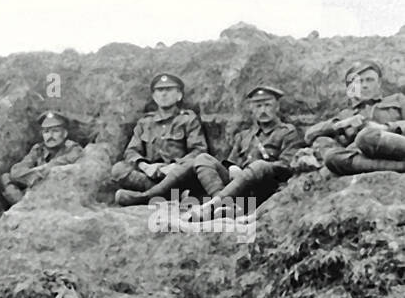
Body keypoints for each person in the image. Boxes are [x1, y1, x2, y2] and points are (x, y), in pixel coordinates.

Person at [111, 74, 217, 207]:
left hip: (178, 174)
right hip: (150, 175)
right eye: (160, 91)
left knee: (194, 165)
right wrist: (145, 166)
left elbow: (199, 150)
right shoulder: (145, 122)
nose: (164, 94)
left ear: (179, 95)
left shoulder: (188, 119)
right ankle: (168, 196)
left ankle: (147, 197)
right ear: (154, 97)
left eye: (169, 90)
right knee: (118, 169)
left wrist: (174, 166)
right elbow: (131, 151)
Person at [197, 85, 302, 218]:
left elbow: (288, 165)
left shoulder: (287, 132)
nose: (263, 110)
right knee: (203, 159)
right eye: (258, 106)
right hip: (240, 190)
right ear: (251, 109)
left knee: (259, 165)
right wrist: (233, 167)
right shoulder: (244, 136)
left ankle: (213, 206)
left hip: (266, 187)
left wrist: (260, 168)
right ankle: (223, 203)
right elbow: (229, 163)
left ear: (277, 107)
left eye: (267, 105)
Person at [318, 62, 405, 176]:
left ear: (379, 83)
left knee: (366, 136)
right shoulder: (346, 114)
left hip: (397, 145)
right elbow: (309, 135)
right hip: (366, 154)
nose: (364, 85)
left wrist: (385, 127)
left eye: (369, 80)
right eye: (359, 81)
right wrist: (339, 124)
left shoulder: (398, 99)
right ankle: (398, 167)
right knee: (331, 158)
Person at [0, 111, 85, 205]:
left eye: (55, 131)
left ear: (64, 134)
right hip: (36, 190)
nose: (50, 136)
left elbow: (58, 164)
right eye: (46, 132)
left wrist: (39, 172)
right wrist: (33, 176)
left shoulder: (73, 148)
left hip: (59, 192)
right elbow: (17, 170)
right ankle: (24, 205)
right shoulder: (38, 149)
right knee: (5, 178)